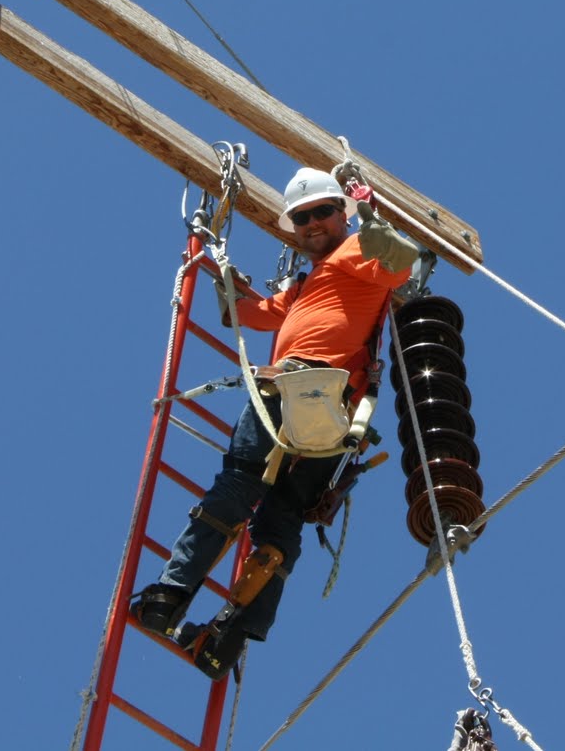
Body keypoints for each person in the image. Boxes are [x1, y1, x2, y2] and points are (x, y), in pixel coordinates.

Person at [131, 167, 417, 678]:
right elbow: (250, 314)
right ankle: (223, 639)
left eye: (322, 212)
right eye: (301, 218)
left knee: (240, 485)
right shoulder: (308, 286)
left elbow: (400, 261)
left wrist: (368, 210)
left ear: (340, 215)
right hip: (329, 416)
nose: (311, 224)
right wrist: (220, 271)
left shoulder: (355, 253)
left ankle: (170, 595)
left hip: (299, 392)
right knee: (279, 520)